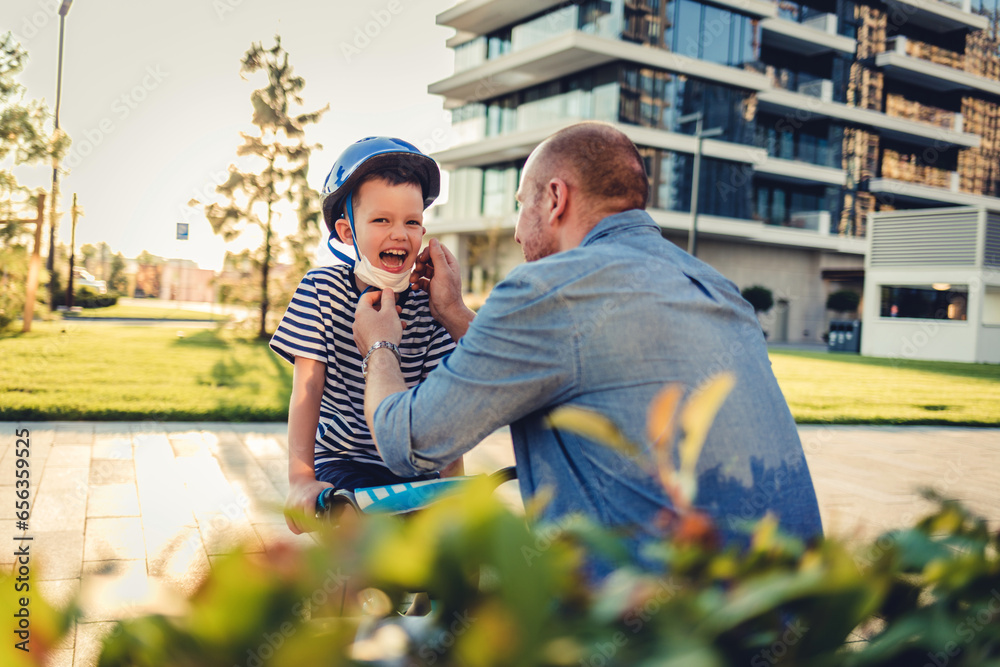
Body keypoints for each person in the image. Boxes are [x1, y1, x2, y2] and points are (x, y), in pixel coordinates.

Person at [353, 122, 822, 565]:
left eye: (522, 205)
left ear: (555, 198)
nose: (517, 232)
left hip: (656, 627)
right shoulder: (719, 288)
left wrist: (380, 346)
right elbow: (564, 360)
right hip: (793, 612)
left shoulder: (548, 289)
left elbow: (406, 440)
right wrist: (455, 313)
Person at [270, 137, 460, 535]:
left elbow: (445, 406)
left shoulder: (432, 304)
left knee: (453, 556)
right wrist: (300, 479)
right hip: (343, 458)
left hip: (413, 463)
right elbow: (306, 391)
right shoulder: (320, 290)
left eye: (412, 222)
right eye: (381, 220)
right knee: (357, 550)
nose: (400, 234)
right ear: (346, 232)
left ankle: (430, 599)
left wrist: (453, 486)